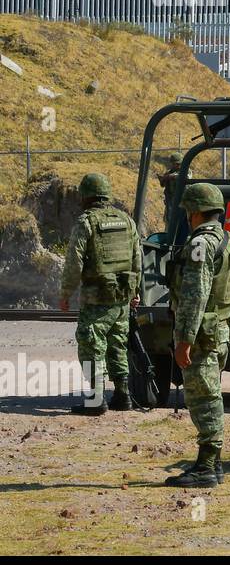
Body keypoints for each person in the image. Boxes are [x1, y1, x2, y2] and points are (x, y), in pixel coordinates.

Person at [164, 183, 230, 488]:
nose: (187, 217)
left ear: (196, 212)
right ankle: (212, 464)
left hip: (202, 334)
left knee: (204, 399)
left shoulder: (201, 244)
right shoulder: (229, 241)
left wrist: (184, 338)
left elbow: (196, 294)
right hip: (219, 329)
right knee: (207, 394)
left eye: (188, 212)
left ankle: (207, 466)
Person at [59, 173, 142, 414]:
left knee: (91, 344)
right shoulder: (126, 220)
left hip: (96, 298)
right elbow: (137, 257)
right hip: (122, 297)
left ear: (85, 196)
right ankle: (122, 395)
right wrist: (136, 291)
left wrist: (65, 293)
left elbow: (74, 262)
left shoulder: (86, 222)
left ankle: (96, 401)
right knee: (118, 343)